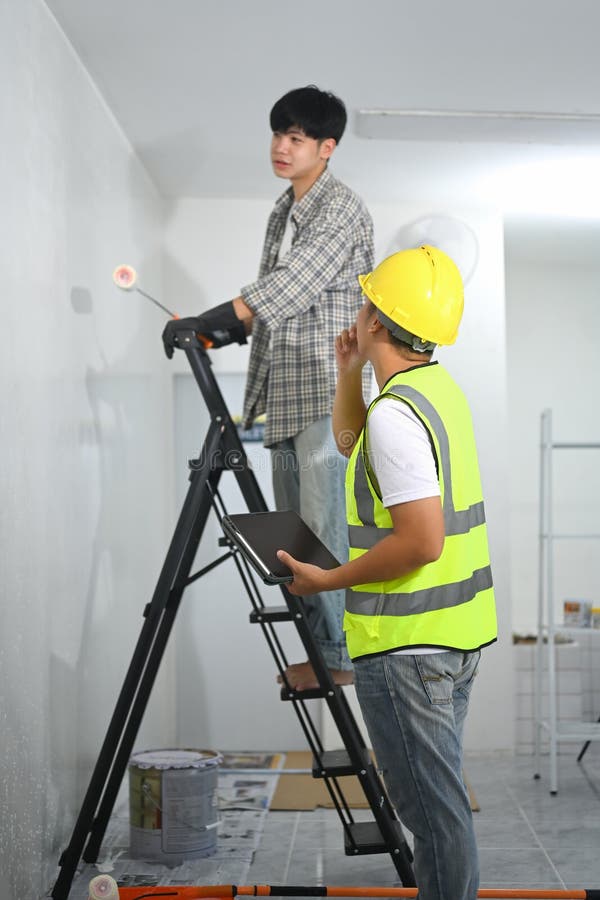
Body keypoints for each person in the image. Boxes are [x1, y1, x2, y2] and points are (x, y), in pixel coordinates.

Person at [276, 245, 498, 900]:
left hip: (408, 651)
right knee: (440, 809)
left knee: (434, 820)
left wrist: (327, 582)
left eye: (366, 300)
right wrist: (349, 373)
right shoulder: (430, 393)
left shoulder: (399, 416)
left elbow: (423, 542)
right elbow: (353, 442)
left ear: (377, 317)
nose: (359, 307)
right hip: (453, 639)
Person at [163, 85, 374, 690]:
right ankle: (321, 649)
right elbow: (273, 302)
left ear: (326, 148)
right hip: (282, 396)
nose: (282, 147)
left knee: (323, 529)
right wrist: (222, 334)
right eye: (278, 134)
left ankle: (337, 656)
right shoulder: (283, 211)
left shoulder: (340, 209)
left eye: (297, 138)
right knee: (291, 533)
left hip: (325, 393)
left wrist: (212, 317)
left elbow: (293, 286)